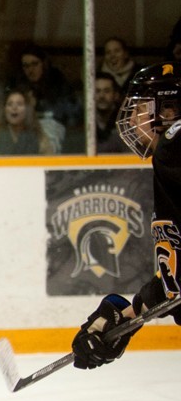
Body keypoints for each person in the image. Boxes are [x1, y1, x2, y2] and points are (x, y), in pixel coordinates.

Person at [71, 62, 181, 371]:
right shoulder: (169, 155)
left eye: (139, 109)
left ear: (167, 110)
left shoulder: (174, 144)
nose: (131, 120)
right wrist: (129, 315)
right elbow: (176, 278)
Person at [11, 45, 80, 135]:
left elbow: (71, 114)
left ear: (44, 64)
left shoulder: (58, 83)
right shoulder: (21, 86)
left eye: (34, 64)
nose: (30, 70)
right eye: (26, 66)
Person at [0, 89, 56, 155]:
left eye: (19, 104)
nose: (14, 107)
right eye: (9, 104)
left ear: (27, 110)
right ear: (4, 110)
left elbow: (49, 162)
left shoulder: (38, 135)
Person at [92, 74, 126, 154]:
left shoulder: (126, 124)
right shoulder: (82, 124)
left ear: (116, 95)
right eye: (97, 91)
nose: (101, 96)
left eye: (106, 91)